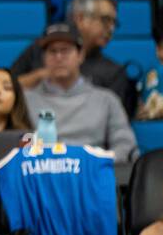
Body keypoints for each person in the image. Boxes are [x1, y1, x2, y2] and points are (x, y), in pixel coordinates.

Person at [22, 22, 138, 165]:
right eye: (52, 51)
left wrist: (100, 163)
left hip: (93, 175)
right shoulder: (26, 100)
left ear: (81, 55)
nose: (59, 57)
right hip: (43, 176)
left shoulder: (106, 99)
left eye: (65, 50)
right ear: (44, 58)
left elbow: (125, 144)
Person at [12, 0, 134, 111]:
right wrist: (40, 76)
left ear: (80, 56)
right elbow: (8, 87)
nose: (111, 28)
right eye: (106, 20)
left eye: (114, 22)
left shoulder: (114, 73)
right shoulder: (40, 48)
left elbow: (112, 119)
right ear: (80, 18)